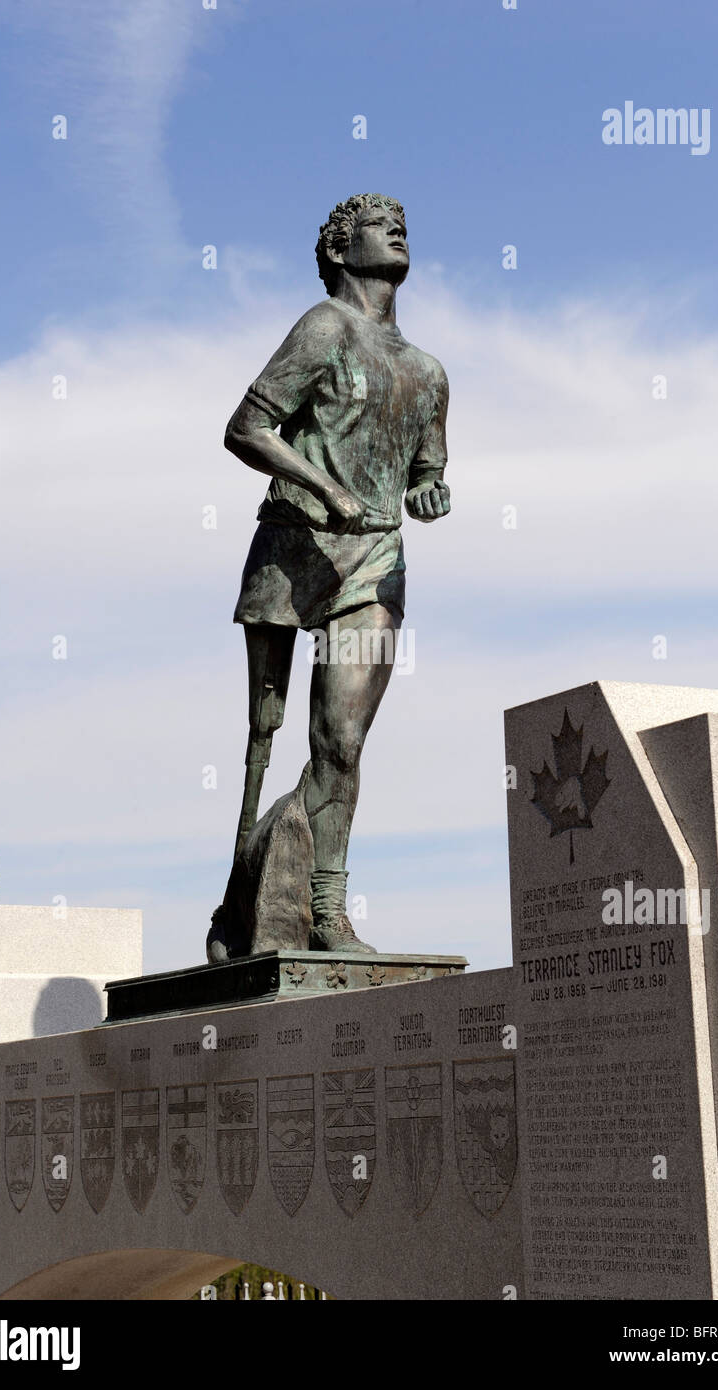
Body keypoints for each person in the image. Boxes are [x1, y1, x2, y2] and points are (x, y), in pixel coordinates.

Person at [224, 193, 450, 954]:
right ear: (338, 250)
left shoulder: (427, 373)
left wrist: (427, 491)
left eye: (402, 222)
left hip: (374, 561)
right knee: (263, 730)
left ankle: (326, 909)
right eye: (376, 223)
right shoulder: (322, 328)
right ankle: (238, 904)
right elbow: (246, 428)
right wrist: (322, 487)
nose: (396, 228)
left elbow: (425, 475)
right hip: (293, 548)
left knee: (340, 740)